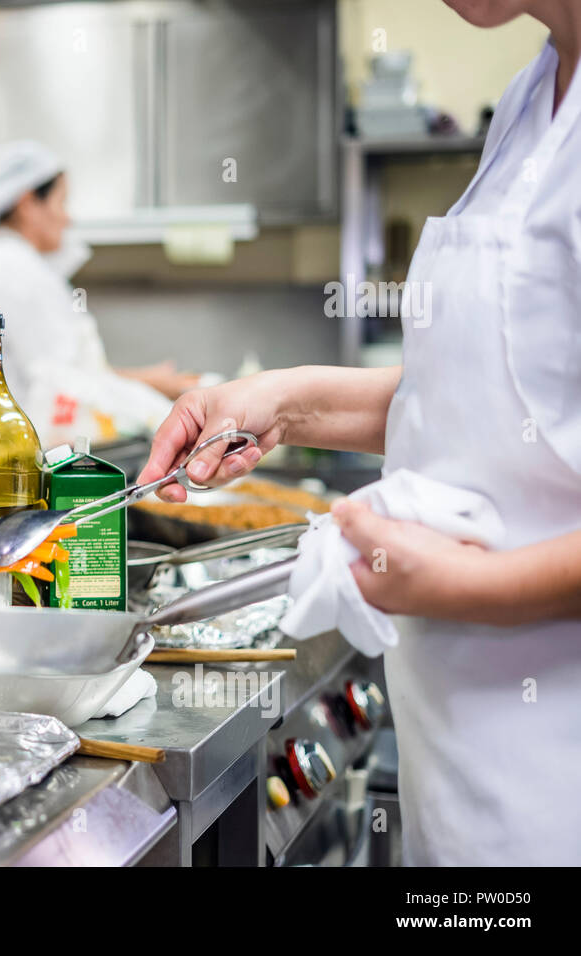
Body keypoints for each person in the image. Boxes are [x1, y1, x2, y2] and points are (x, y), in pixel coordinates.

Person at [138, 0, 581, 865]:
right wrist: (280, 401)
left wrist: (474, 590)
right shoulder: (535, 92)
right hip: (463, 773)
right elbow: (486, 402)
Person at [0, 140, 198, 446]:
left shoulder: (8, 262)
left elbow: (68, 372)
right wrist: (154, 391)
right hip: (12, 454)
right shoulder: (15, 270)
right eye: (62, 202)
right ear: (27, 204)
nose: (68, 218)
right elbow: (66, 383)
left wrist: (148, 382)